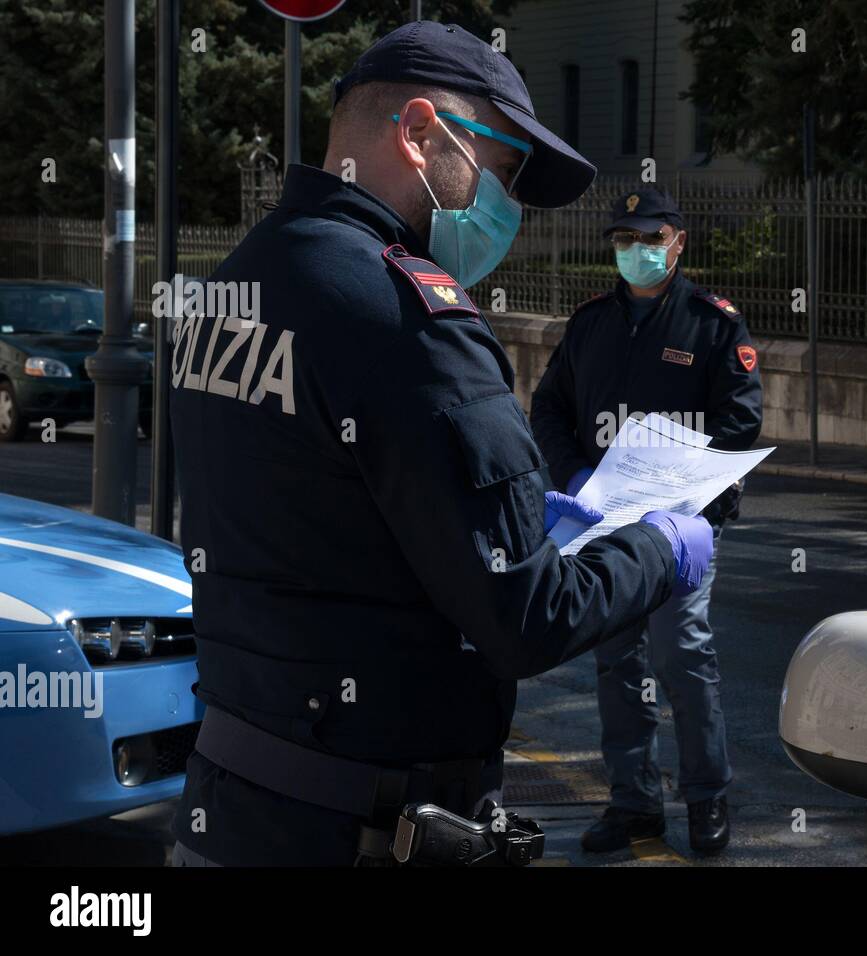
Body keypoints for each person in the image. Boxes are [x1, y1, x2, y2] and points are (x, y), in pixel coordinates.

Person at [166, 22, 713, 867]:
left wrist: (495, 522)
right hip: (365, 830)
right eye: (502, 173)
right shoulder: (409, 317)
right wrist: (661, 547)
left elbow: (323, 515)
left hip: (230, 807)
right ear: (420, 133)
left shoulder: (236, 278)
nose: (509, 206)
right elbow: (529, 620)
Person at [529, 188, 763, 854]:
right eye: (624, 240)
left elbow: (739, 423)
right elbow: (548, 410)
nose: (636, 251)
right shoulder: (590, 324)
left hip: (678, 527)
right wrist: (573, 477)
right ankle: (633, 802)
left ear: (678, 241)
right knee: (617, 662)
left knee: (682, 655)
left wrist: (685, 496)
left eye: (649, 237)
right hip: (605, 524)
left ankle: (706, 797)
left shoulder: (713, 326)